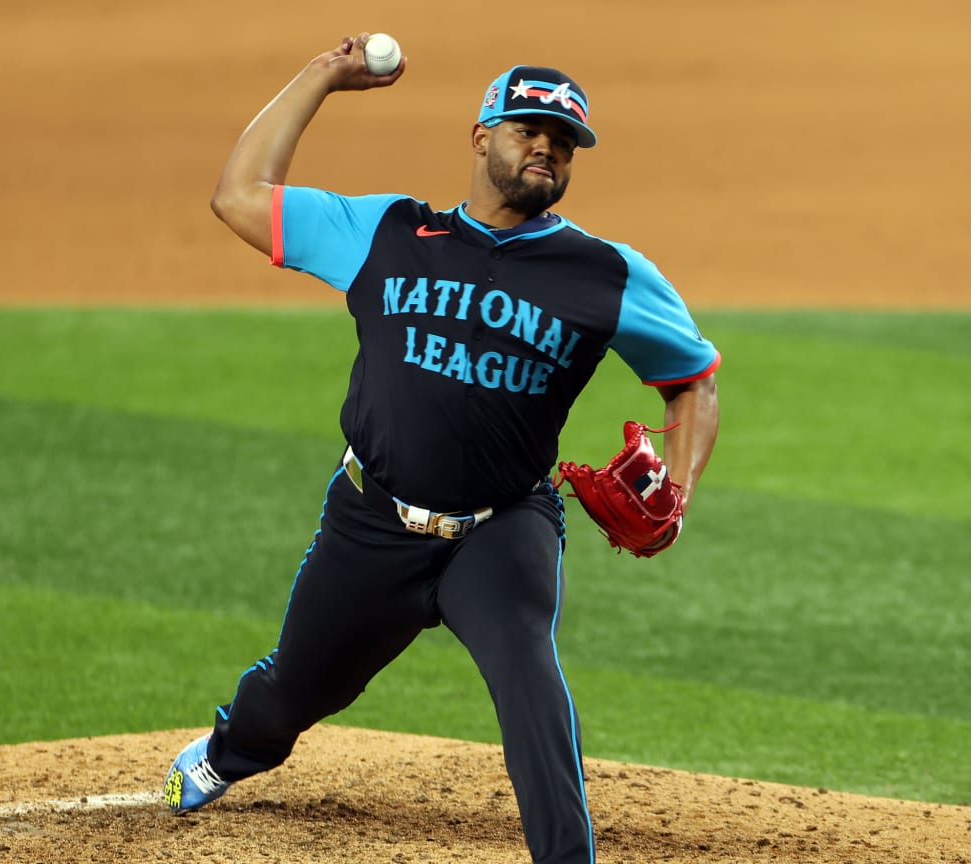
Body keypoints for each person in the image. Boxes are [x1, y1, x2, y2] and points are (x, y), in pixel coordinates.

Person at [163, 33, 721, 864]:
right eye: (528, 128)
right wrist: (324, 75)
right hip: (373, 523)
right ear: (480, 136)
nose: (546, 147)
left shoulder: (607, 275)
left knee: (532, 685)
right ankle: (230, 752)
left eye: (563, 141)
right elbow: (240, 195)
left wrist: (677, 489)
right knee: (294, 692)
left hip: (505, 530)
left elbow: (694, 379)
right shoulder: (386, 233)